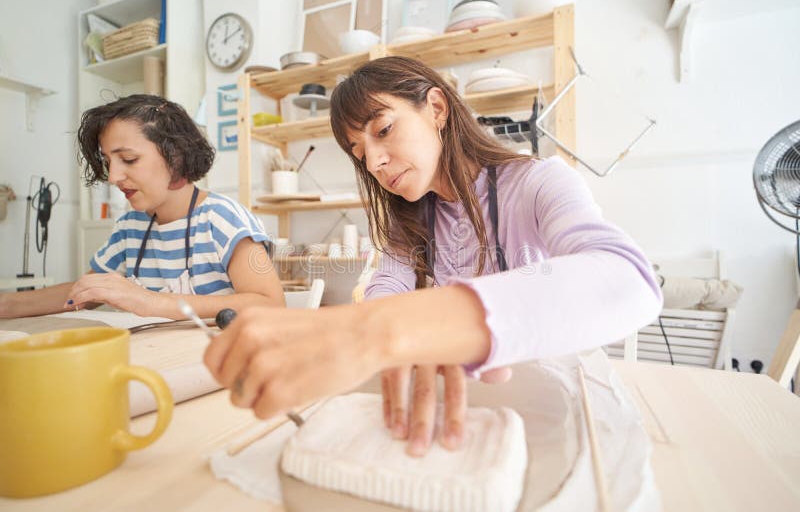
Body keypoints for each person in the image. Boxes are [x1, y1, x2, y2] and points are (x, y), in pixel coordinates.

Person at [203, 57, 662, 457]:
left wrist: (389, 331)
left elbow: (627, 280)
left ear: (437, 109)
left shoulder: (540, 182)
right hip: (472, 406)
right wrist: (385, 331)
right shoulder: (410, 221)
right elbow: (389, 286)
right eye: (360, 154)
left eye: (383, 130)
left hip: (553, 404)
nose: (375, 162)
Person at [0, 94, 284, 320]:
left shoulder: (223, 219)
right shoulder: (130, 225)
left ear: (176, 157)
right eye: (109, 162)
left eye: (129, 159)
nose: (113, 177)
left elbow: (270, 304)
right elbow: (86, 291)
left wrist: (152, 302)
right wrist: (7, 305)